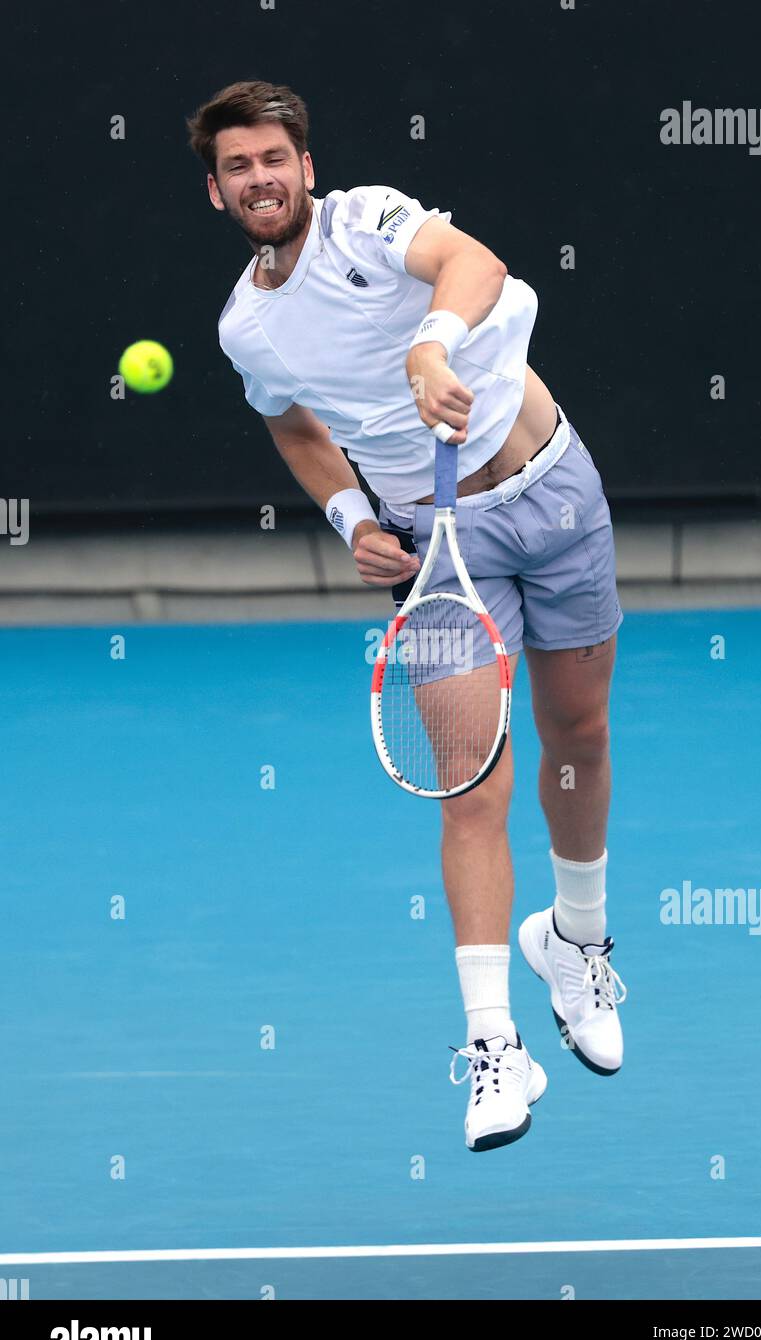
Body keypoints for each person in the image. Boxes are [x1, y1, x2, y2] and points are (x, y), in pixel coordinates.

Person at [187, 79, 627, 1152]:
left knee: (578, 729)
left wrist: (429, 344)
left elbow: (470, 264)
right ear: (215, 191)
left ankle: (574, 941)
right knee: (471, 782)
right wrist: (345, 515)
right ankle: (489, 1045)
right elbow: (293, 427)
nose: (260, 178)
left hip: (554, 490)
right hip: (434, 556)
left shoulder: (368, 220)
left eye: (274, 159)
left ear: (305, 167)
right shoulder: (247, 327)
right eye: (238, 166)